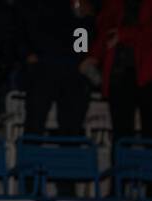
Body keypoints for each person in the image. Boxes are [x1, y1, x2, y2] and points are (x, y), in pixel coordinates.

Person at [88, 0, 152, 146]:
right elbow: (105, 30)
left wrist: (124, 35)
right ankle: (122, 168)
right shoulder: (114, 3)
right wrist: (94, 56)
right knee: (121, 135)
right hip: (119, 74)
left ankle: (150, 168)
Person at [16, 0, 96, 138]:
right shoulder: (34, 6)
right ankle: (30, 157)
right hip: (42, 66)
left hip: (72, 68)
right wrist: (26, 53)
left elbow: (83, 28)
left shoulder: (75, 5)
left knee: (72, 124)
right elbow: (20, 25)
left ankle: (69, 157)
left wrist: (81, 56)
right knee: (35, 121)